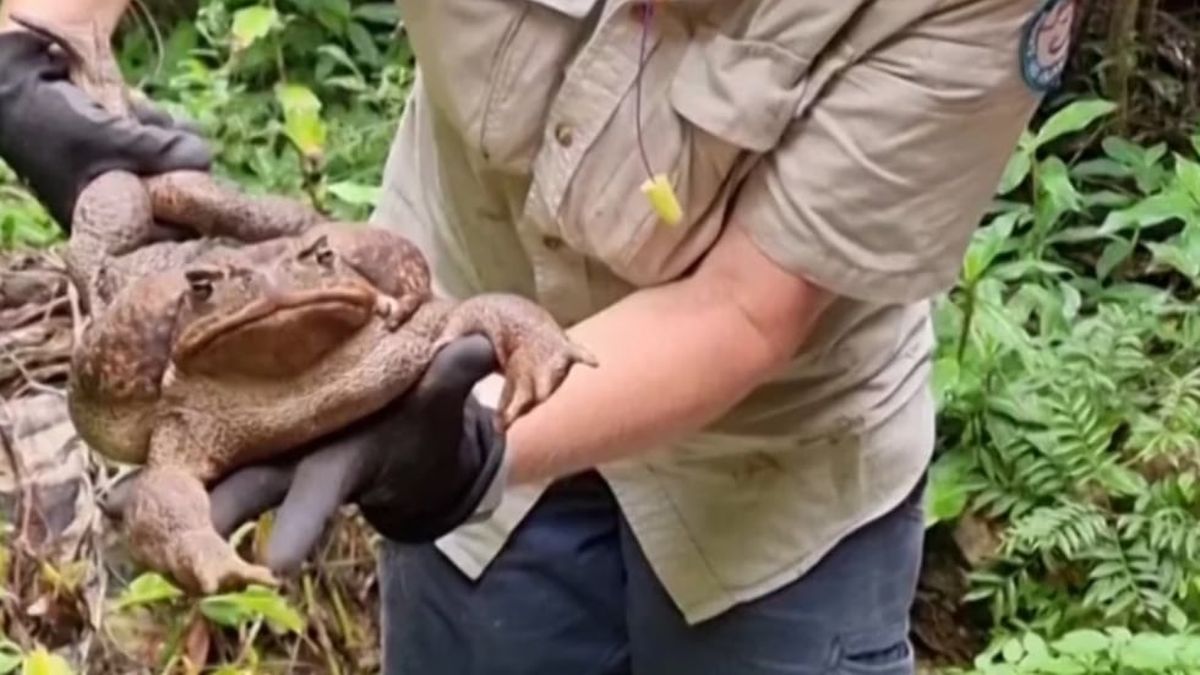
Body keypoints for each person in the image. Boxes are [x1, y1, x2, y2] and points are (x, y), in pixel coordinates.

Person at [0, 0, 1072, 672]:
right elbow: (166, 476)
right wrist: (36, 36)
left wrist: (464, 440)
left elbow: (746, 310)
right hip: (420, 319)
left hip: (768, 470)